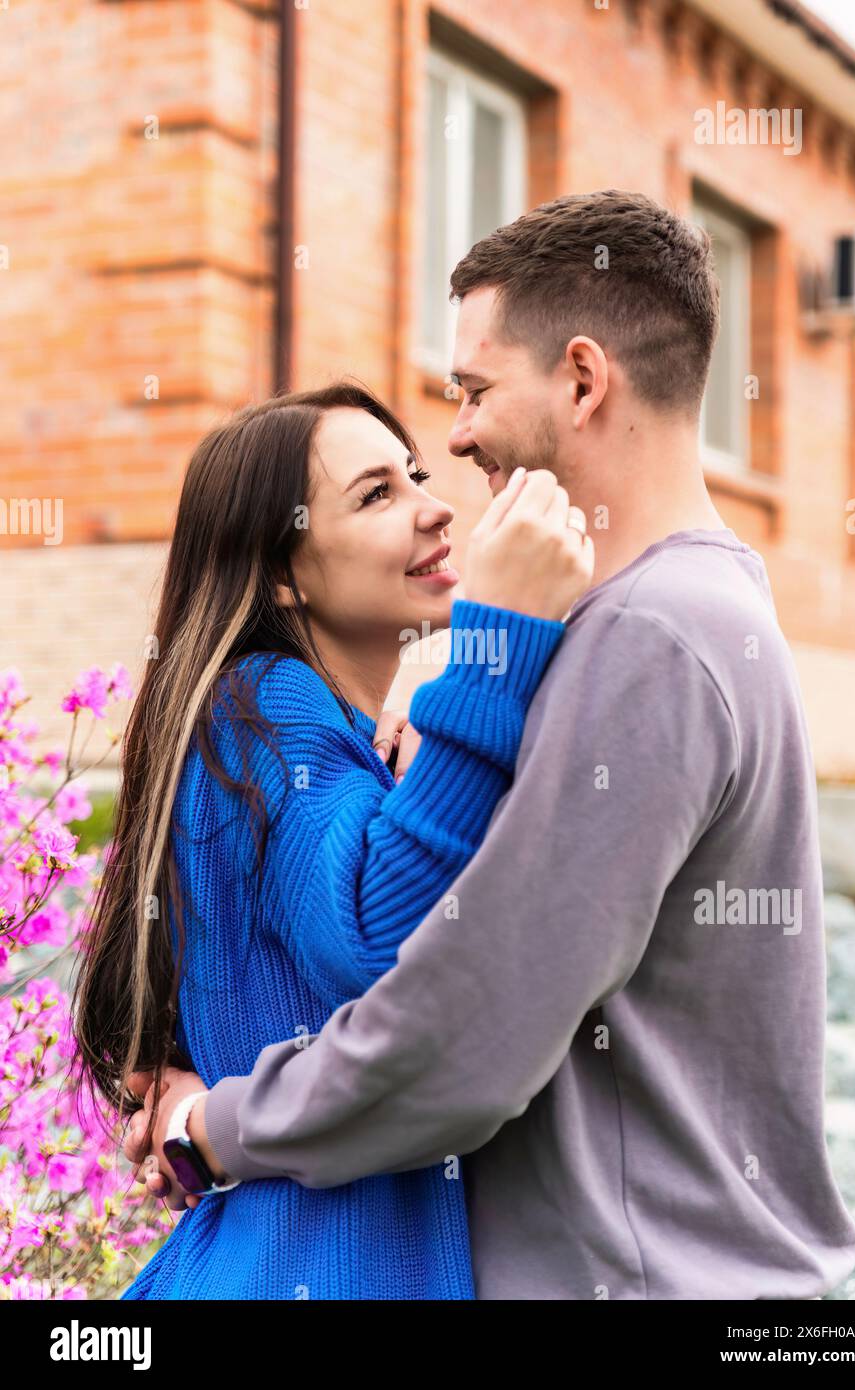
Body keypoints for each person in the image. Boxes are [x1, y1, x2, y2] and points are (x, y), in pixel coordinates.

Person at [125, 191, 855, 1300]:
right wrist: (466, 678)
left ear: (579, 378)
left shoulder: (648, 638)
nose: (455, 439)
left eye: (470, 391)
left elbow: (459, 1038)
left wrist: (208, 1124)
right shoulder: (672, 617)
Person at [70, 380, 593, 1299]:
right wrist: (496, 645)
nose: (436, 510)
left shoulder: (318, 733)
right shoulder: (262, 701)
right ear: (281, 573)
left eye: (417, 475)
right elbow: (379, 941)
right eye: (376, 494)